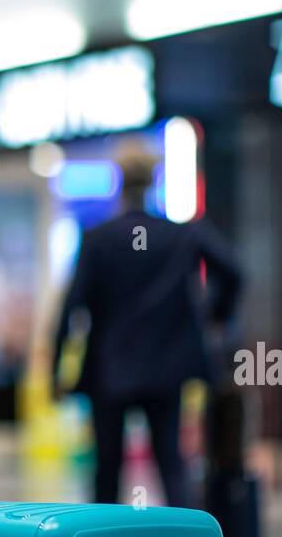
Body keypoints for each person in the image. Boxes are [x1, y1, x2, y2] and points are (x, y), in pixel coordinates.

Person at [52, 146, 243, 507]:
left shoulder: (98, 238)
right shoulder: (181, 235)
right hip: (166, 368)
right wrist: (214, 317)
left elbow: (70, 307)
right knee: (171, 464)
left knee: (107, 469)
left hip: (109, 370)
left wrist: (56, 371)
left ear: (120, 184)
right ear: (152, 183)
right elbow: (233, 273)